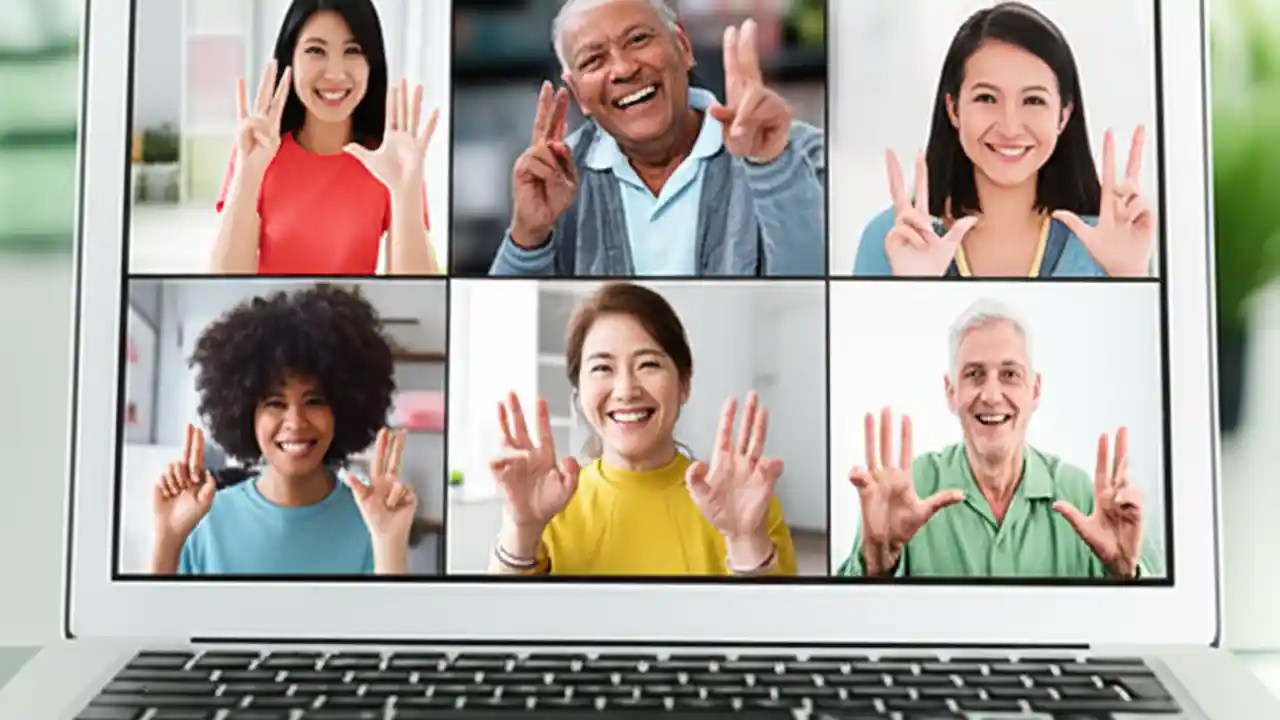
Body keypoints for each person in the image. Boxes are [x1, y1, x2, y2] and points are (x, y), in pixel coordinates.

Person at [488, 0, 825, 277]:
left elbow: (816, 299)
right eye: (593, 60)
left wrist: (772, 168)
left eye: (638, 40)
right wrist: (528, 237)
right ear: (577, 93)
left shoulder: (796, 151)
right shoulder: (553, 177)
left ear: (684, 48)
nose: (624, 69)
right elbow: (501, 324)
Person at [836, 298, 1164, 578]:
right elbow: (845, 617)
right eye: (974, 375)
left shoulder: (1084, 495)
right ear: (951, 392)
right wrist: (875, 562)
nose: (991, 395)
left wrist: (1127, 574)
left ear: (1035, 390)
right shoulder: (908, 489)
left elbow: (1156, 616)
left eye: (1009, 374)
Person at [487, 282, 798, 575]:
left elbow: (779, 615)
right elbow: (504, 612)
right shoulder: (548, 506)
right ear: (579, 392)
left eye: (648, 364)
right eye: (602, 368)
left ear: (684, 383)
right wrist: (522, 528)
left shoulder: (746, 504)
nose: (626, 390)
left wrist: (745, 540)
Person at [852, 1, 1155, 278]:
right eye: (986, 98)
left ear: (1063, 115)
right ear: (953, 108)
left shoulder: (1110, 243)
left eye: (1033, 101)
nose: (1010, 127)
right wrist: (912, 290)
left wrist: (1129, 275)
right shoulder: (894, 238)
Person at [150, 285, 418, 575]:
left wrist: (389, 542)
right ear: (245, 413)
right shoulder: (203, 520)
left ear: (342, 410)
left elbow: (388, 607)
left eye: (314, 401)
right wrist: (168, 538)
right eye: (275, 403)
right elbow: (156, 607)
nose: (295, 422)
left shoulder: (372, 521)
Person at [212, 0, 441, 276]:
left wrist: (406, 196)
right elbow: (225, 281)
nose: (335, 73)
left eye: (353, 50)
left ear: (371, 64)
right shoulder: (256, 150)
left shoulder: (389, 162)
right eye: (315, 50)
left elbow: (414, 291)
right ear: (290, 59)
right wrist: (248, 175)